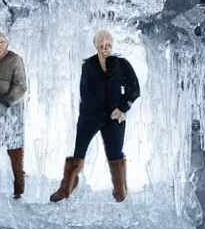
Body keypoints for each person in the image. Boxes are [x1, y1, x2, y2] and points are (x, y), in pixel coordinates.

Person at [50, 29, 140, 203]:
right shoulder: (89, 65)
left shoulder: (122, 64)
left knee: (115, 153)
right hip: (91, 115)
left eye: (108, 45)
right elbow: (86, 92)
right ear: (96, 45)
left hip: (114, 116)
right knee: (79, 152)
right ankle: (66, 188)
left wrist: (122, 108)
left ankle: (120, 191)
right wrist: (94, 113)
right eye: (102, 45)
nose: (105, 48)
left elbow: (134, 89)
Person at [0, 31, 28, 199]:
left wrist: (8, 100)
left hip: (11, 110)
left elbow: (21, 85)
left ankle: (19, 186)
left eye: (1, 43)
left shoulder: (15, 59)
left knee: (14, 147)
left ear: (6, 44)